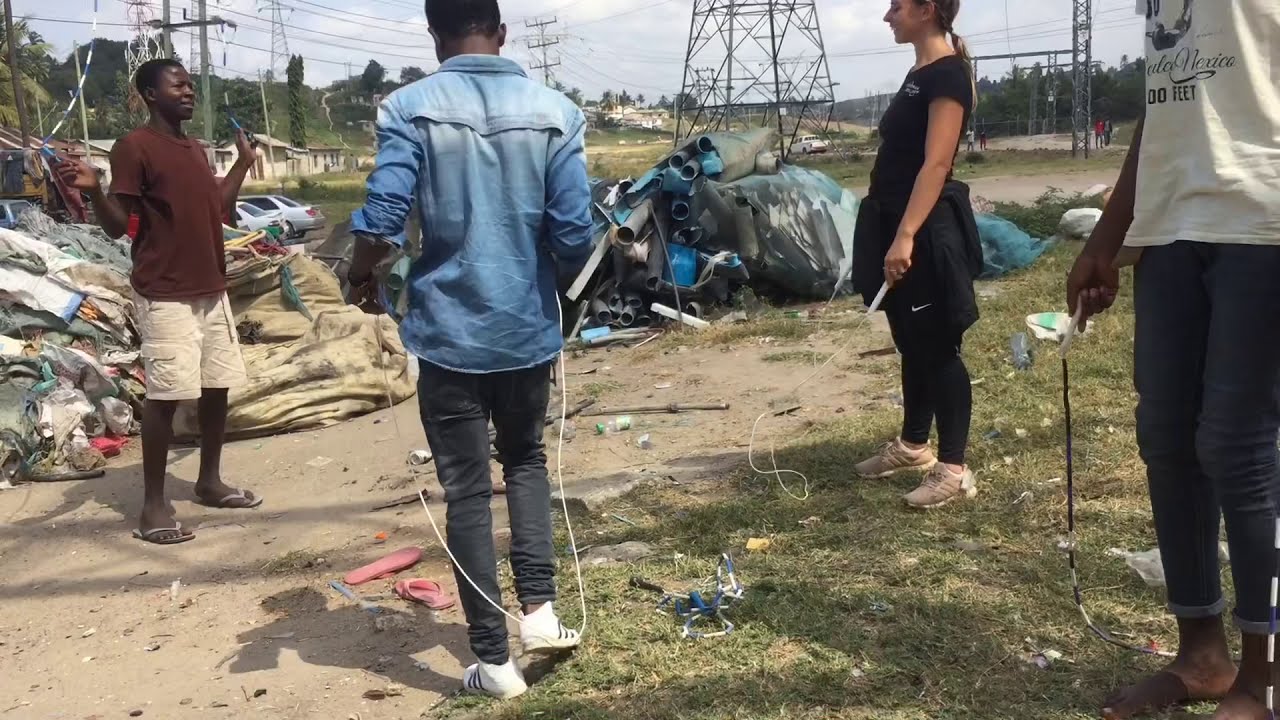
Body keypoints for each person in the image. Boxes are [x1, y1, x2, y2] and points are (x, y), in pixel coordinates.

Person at [347, 0, 592, 700]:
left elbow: (385, 214)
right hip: (524, 328)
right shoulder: (556, 110)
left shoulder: (409, 107)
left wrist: (362, 276)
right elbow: (574, 234)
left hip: (449, 333)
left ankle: (493, 662)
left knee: (463, 491)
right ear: (502, 32)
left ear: (434, 35)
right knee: (526, 463)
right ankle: (540, 614)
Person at [1067, 1, 1280, 718]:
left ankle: (1265, 675)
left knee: (1239, 445)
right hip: (1173, 221)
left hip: (1264, 213)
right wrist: (1109, 231)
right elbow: (1171, 100)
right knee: (1166, 436)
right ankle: (1203, 657)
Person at [53, 59, 261, 546]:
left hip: (210, 289)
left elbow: (219, 205)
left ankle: (209, 481)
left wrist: (243, 163)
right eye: (178, 85)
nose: (189, 91)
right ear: (150, 93)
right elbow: (115, 225)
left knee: (216, 388)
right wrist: (97, 189)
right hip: (165, 293)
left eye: (190, 84)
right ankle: (152, 507)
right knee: (166, 398)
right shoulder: (134, 147)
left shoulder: (193, 148)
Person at [851, 0, 981, 510]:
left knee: (937, 348)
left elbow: (937, 164)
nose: (888, 16)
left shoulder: (948, 74)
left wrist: (906, 235)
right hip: (894, 220)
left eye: (897, 6)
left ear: (928, 10)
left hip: (924, 231)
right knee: (910, 338)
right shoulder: (920, 70)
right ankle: (913, 446)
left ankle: (953, 467)